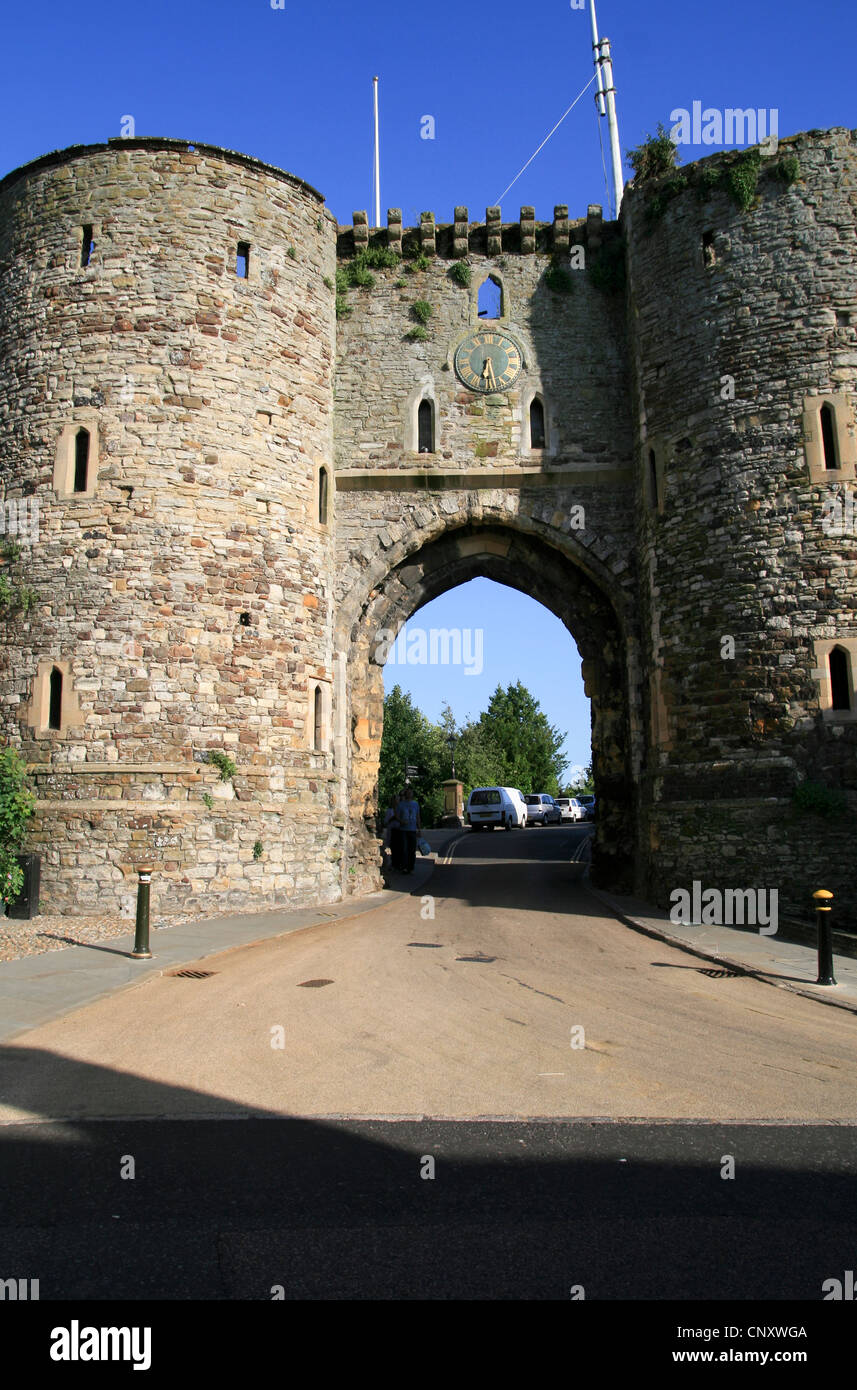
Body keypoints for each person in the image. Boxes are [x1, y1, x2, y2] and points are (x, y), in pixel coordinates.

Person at [397, 785, 421, 873]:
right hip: (403, 829)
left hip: (412, 829)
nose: (409, 794)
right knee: (404, 849)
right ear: (406, 794)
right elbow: (397, 816)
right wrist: (401, 821)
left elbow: (418, 816)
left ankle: (411, 867)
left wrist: (419, 829)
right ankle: (404, 866)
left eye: (411, 793)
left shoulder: (415, 804)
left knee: (412, 849)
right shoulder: (401, 804)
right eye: (408, 793)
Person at [388, 791, 405, 872]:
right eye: (396, 799)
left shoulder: (401, 809)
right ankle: (395, 864)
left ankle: (399, 864)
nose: (398, 801)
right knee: (394, 848)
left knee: (400, 848)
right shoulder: (390, 810)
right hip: (393, 830)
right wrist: (393, 818)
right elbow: (386, 821)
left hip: (400, 830)